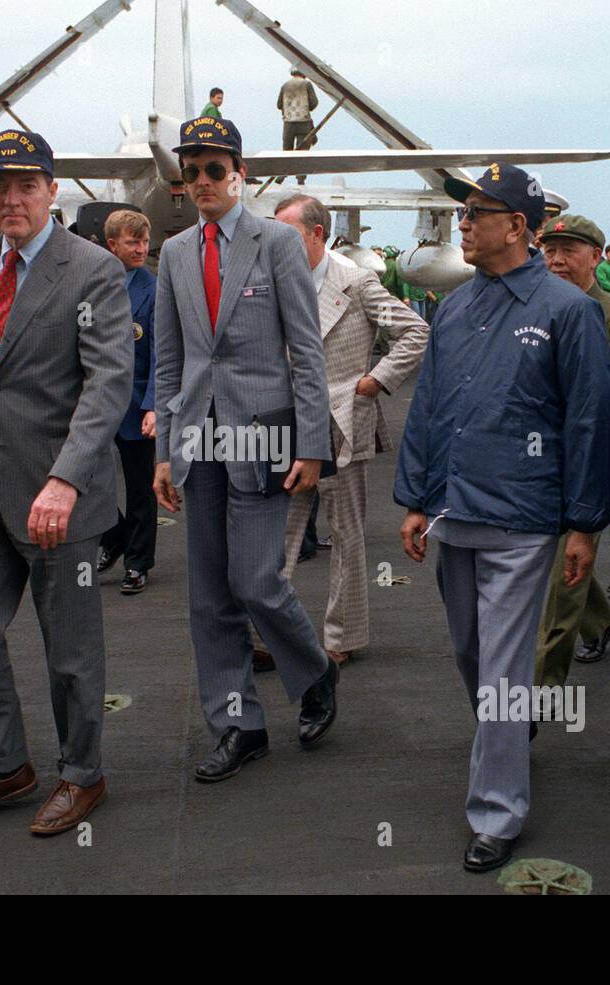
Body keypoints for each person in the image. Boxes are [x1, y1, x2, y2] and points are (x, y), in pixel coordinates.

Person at [395, 163, 610, 873]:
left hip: (522, 518)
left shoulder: (566, 310)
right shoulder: (454, 307)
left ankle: (496, 811)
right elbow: (428, 409)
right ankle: (507, 739)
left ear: (517, 226)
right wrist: (416, 498)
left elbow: (587, 420)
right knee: (470, 653)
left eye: (475, 213)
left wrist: (583, 523)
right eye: (462, 213)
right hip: (456, 508)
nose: (461, 224)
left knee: (502, 668)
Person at [0, 129, 133, 836]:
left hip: (59, 496)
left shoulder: (94, 270)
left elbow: (109, 383)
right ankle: (3, 763)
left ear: (52, 191)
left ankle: (82, 773)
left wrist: (66, 479)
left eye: (25, 185)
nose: (10, 198)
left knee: (69, 647)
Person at [152, 116, 338, 783]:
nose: (201, 180)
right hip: (197, 439)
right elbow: (168, 361)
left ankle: (314, 672)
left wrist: (312, 444)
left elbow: (307, 352)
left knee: (256, 580)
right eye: (191, 169)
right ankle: (239, 724)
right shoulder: (174, 253)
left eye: (214, 167)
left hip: (264, 436)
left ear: (239, 173)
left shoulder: (278, 241)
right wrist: (165, 451)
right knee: (208, 596)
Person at [268, 193, 429, 666]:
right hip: (287, 424)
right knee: (277, 535)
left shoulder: (356, 283)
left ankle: (341, 638)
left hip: (342, 421)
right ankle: (266, 636)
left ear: (318, 234)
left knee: (346, 535)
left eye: (289, 235)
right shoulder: (274, 281)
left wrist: (374, 381)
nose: (278, 244)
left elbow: (416, 330)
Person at [533, 215, 610, 689]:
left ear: (596, 256)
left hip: (587, 466)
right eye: (549, 250)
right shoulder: (538, 309)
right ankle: (602, 621)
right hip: (540, 465)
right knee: (557, 557)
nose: (556, 260)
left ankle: (541, 687)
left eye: (569, 250)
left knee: (559, 584)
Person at [95, 208, 159, 595]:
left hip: (136, 404)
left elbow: (159, 354)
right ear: (112, 245)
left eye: (145, 242)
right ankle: (114, 535)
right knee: (86, 480)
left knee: (140, 488)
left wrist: (153, 404)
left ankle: (138, 562)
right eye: (133, 242)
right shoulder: (96, 284)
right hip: (98, 402)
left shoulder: (153, 290)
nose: (141, 248)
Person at [277, 67, 319, 185]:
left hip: (289, 123)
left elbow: (279, 104)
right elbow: (314, 103)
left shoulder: (285, 85)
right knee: (302, 151)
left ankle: (282, 174)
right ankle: (300, 179)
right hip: (304, 122)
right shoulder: (307, 84)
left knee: (287, 150)